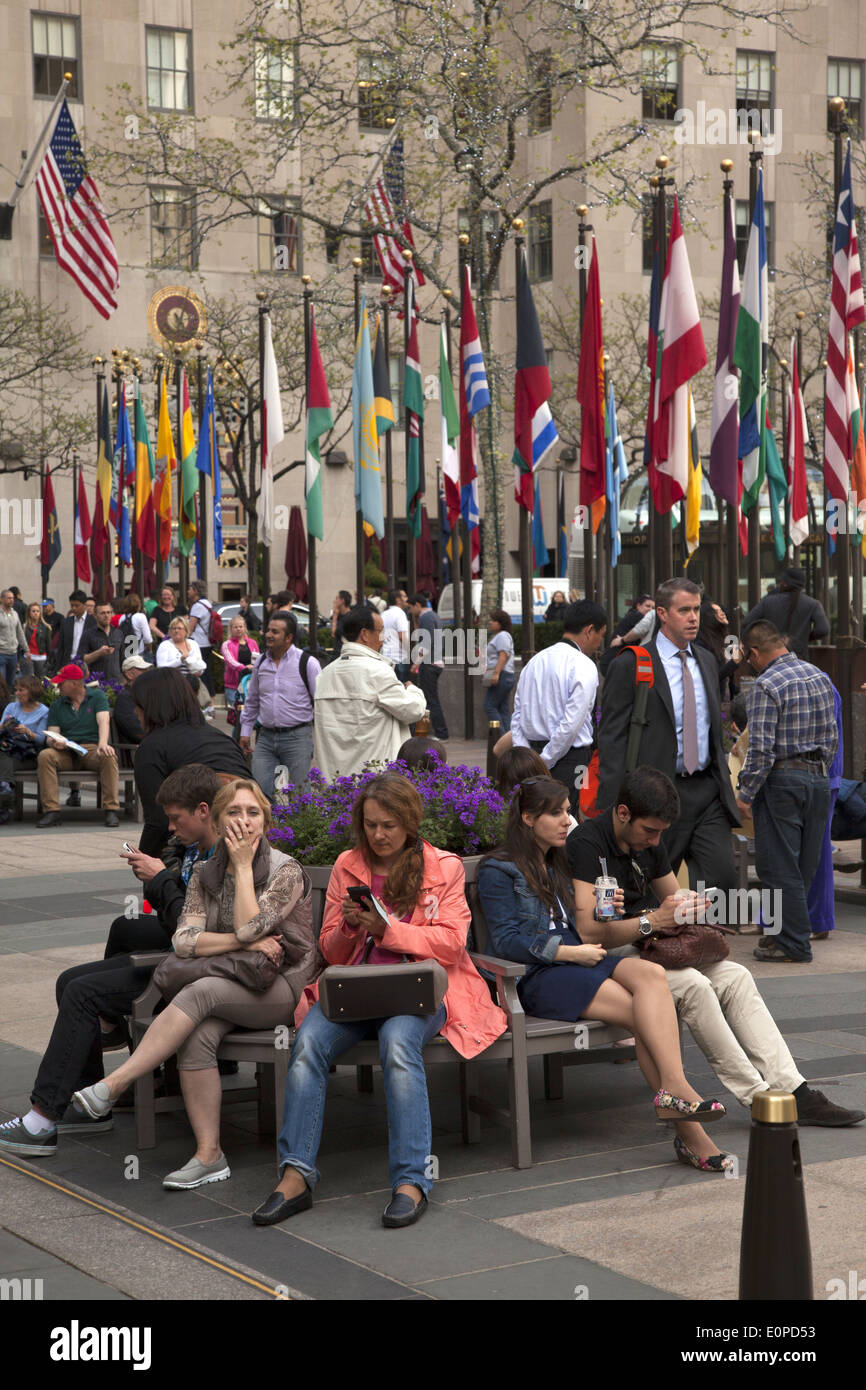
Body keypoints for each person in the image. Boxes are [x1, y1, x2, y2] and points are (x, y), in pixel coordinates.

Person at [252, 773, 506, 1228]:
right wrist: (351, 927)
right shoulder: (348, 865)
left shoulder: (442, 867)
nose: (379, 835)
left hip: (420, 989)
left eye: (388, 825)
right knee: (308, 1045)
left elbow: (451, 943)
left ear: (409, 823)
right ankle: (295, 1176)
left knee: (397, 1044)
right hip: (356, 987)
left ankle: (411, 1180)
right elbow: (328, 950)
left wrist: (387, 930)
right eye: (370, 825)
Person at [570, 768, 864, 1129]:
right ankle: (760, 1098)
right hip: (611, 957)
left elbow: (669, 899)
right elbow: (587, 933)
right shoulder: (587, 842)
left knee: (736, 975)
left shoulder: (650, 840)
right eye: (649, 831)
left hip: (652, 947)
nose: (655, 840)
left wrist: (689, 905)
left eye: (661, 833)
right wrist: (655, 921)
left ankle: (795, 1091)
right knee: (696, 987)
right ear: (623, 813)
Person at [70, 780, 320, 1190]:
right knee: (198, 1033)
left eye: (253, 812)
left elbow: (250, 922)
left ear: (266, 820)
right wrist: (243, 941)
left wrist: (241, 870)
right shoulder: (205, 872)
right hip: (229, 979)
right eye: (234, 813)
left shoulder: (285, 871)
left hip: (279, 987)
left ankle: (115, 1084)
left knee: (197, 994)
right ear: (218, 822)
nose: (244, 821)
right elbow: (184, 940)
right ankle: (209, 1155)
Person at [478, 777, 732, 1171]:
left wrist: (606, 908)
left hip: (582, 958)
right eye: (556, 813)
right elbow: (506, 941)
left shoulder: (560, 861)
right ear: (528, 818)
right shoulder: (499, 869)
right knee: (638, 1012)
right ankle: (690, 1132)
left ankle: (674, 1093)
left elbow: (590, 922)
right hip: (539, 975)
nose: (567, 820)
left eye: (568, 811)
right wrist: (567, 952)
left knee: (649, 976)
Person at [0, 765, 225, 1157]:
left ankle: (41, 1121)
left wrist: (159, 880)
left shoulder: (218, 859)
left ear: (204, 810)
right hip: (183, 960)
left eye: (177, 818)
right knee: (71, 978)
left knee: (83, 992)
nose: (171, 828)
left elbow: (189, 929)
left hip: (195, 973)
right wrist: (159, 876)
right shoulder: (197, 850)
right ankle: (85, 1101)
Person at [597, 578, 740, 898]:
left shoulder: (705, 659)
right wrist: (613, 807)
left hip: (707, 791)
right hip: (658, 792)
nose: (693, 617)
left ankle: (706, 942)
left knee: (722, 880)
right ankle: (653, 943)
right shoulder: (632, 663)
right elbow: (612, 739)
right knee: (648, 888)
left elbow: (711, 727)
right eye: (684, 610)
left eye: (696, 610)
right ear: (662, 613)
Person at [735, 620, 837, 964]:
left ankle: (794, 944)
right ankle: (782, 934)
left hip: (783, 781)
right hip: (818, 779)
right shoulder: (819, 675)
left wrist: (745, 793)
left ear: (753, 653)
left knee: (779, 867)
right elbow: (834, 737)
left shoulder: (766, 685)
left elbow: (761, 749)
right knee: (805, 865)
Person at [133, 668, 250, 855]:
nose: (135, 711)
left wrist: (147, 865)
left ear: (150, 706)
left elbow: (158, 822)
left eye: (138, 704)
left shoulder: (152, 747)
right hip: (249, 835)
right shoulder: (222, 738)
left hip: (204, 848)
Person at [511, 599, 607, 815]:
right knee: (566, 823)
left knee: (535, 821)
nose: (599, 644)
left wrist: (528, 756)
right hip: (568, 760)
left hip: (533, 756)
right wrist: (545, 760)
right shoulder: (583, 665)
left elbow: (517, 715)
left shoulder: (535, 661)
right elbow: (572, 724)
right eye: (601, 635)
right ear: (590, 631)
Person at [313, 605, 426, 782]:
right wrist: (412, 689)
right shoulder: (378, 672)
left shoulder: (324, 675)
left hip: (333, 783)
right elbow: (413, 710)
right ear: (365, 634)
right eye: (381, 632)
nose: (384, 639)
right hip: (374, 784)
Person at [239, 609, 319, 798]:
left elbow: (321, 704)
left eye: (275, 632)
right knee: (259, 793)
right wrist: (245, 732)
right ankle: (269, 828)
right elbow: (252, 701)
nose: (268, 635)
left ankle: (299, 829)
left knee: (300, 796)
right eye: (268, 630)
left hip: (298, 737)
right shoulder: (260, 663)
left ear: (289, 637)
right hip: (265, 738)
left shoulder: (307, 663)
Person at [35, 665, 120, 829]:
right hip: (66, 751)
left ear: (73, 683)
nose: (57, 686)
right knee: (46, 755)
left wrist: (103, 743)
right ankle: (52, 811)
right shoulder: (57, 705)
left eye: (61, 683)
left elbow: (104, 721)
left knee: (108, 756)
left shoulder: (97, 697)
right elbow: (52, 733)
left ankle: (111, 809)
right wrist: (54, 742)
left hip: (91, 749)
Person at [743, 567, 829, 661]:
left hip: (770, 657)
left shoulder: (767, 601)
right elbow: (823, 629)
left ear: (784, 583)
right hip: (799, 657)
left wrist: (760, 641)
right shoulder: (813, 604)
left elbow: (746, 623)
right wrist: (805, 638)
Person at [0, 674, 49, 820]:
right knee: (3, 756)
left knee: (3, 759)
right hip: (8, 749)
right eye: (16, 690)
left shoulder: (44, 711)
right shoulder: (11, 707)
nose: (17, 693)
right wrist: (5, 727)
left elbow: (42, 740)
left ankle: (5, 794)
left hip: (28, 754)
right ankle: (4, 791)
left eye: (21, 690)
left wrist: (28, 732)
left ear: (32, 691)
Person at [406, 593, 449, 740]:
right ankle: (435, 732)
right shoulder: (433, 616)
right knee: (430, 698)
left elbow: (425, 642)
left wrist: (416, 662)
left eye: (410, 608)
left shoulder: (426, 617)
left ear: (417, 605)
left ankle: (441, 733)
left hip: (429, 663)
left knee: (430, 699)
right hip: (435, 662)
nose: (410, 611)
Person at [483, 608, 516, 735]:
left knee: (489, 706)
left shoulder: (502, 636)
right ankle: (510, 739)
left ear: (500, 623)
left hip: (502, 675)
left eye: (493, 620)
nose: (490, 623)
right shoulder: (501, 636)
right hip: (505, 675)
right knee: (503, 709)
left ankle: (502, 738)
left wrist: (496, 673)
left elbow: (503, 655)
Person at [222, 616, 260, 719]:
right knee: (239, 717)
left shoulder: (253, 643)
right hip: (233, 686)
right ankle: (237, 736)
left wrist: (254, 667)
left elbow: (257, 659)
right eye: (235, 627)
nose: (238, 629)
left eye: (241, 626)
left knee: (248, 717)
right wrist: (244, 667)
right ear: (231, 629)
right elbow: (230, 661)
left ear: (245, 628)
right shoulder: (227, 644)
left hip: (250, 684)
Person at [81, 601, 125, 681]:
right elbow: (83, 659)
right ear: (95, 616)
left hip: (116, 682)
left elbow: (123, 658)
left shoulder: (118, 633)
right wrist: (99, 653)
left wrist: (124, 679)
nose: (106, 616)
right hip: (97, 682)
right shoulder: (88, 634)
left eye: (109, 612)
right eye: (102, 613)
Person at [54, 590, 97, 670]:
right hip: (68, 662)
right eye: (72, 605)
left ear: (84, 605)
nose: (73, 608)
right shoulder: (66, 622)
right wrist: (59, 667)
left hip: (86, 664)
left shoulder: (93, 622)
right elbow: (61, 647)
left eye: (77, 605)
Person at [113, 655, 149, 746]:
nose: (146, 673)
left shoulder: (142, 695)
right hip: (139, 749)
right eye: (142, 670)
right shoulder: (125, 698)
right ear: (129, 674)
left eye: (146, 669)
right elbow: (135, 731)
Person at [187, 581, 216, 694]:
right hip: (207, 642)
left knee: (200, 672)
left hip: (199, 643)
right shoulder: (207, 603)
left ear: (196, 591)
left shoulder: (197, 606)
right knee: (207, 672)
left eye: (190, 589)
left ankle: (206, 698)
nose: (188, 591)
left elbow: (190, 627)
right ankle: (211, 699)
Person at [382, 588, 411, 681]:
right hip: (398, 659)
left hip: (385, 658)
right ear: (398, 600)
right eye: (404, 596)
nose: (407, 599)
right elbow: (402, 636)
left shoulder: (383, 614)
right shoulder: (400, 614)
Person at [0, 588, 26, 686]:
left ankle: (8, 700)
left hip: (13, 654)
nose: (11, 600)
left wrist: (26, 649)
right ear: (2, 599)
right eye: (9, 598)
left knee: (11, 682)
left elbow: (20, 632)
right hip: (1, 653)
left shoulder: (15, 614)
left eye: (12, 598)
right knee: (2, 683)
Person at [22, 601, 52, 677]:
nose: (35, 613)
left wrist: (49, 660)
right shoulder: (24, 627)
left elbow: (49, 646)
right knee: (28, 680)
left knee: (40, 681)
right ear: (29, 613)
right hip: (28, 657)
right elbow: (21, 644)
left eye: (37, 611)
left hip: (41, 658)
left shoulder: (46, 627)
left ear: (40, 613)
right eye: (33, 611)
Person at [331, 590, 353, 659]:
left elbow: (334, 633)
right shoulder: (340, 615)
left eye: (337, 598)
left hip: (344, 656)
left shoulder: (350, 617)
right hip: (338, 654)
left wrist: (335, 615)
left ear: (342, 601)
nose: (334, 601)